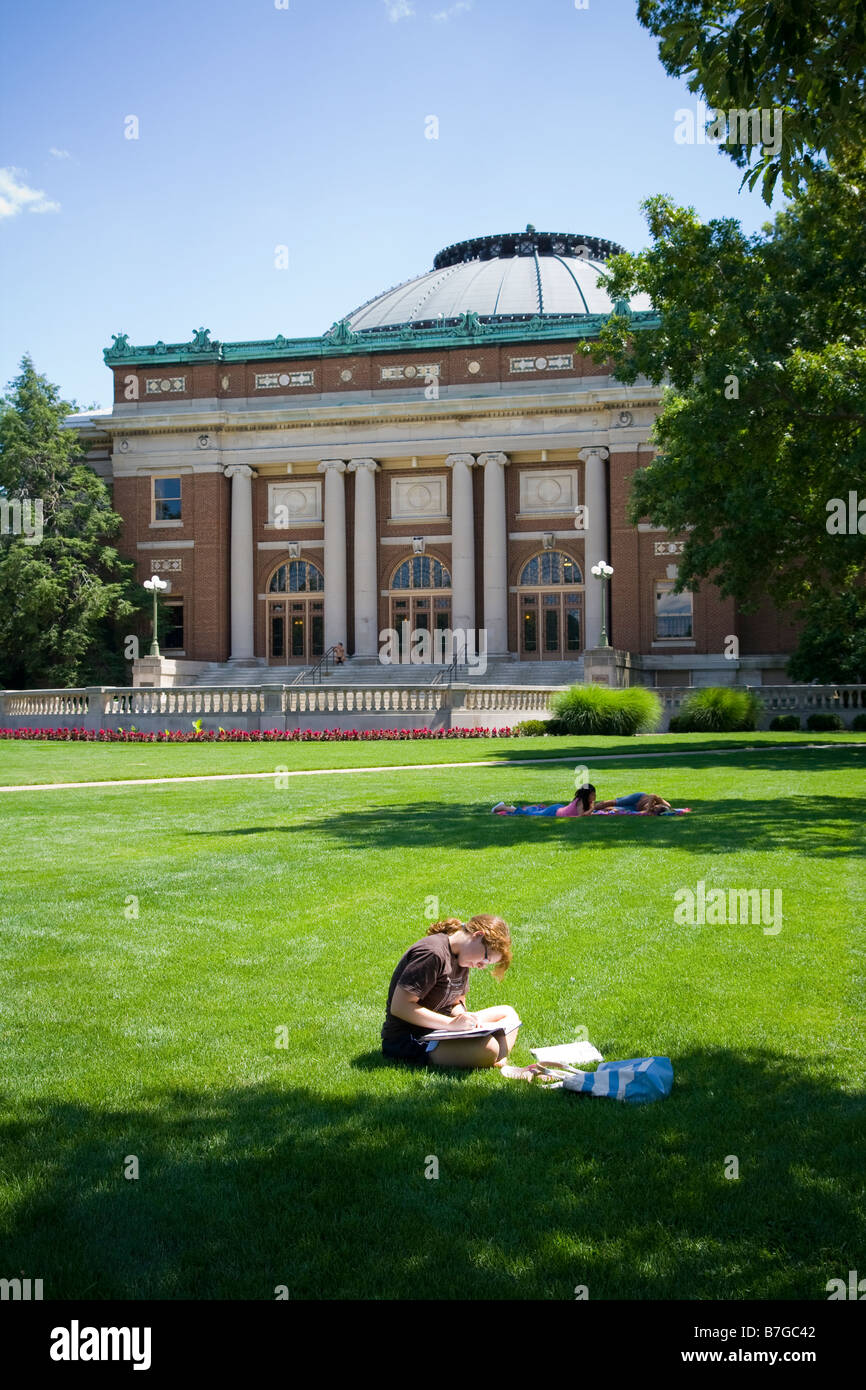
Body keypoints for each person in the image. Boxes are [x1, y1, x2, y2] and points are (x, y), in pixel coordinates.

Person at [382, 915, 520, 1070]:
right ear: (477, 936)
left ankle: (496, 1059)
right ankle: (493, 1056)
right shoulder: (432, 953)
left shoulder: (463, 958)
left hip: (441, 1030)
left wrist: (465, 1017)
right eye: (485, 959)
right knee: (488, 1048)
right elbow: (399, 1007)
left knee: (508, 1014)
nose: (481, 966)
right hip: (411, 1038)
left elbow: (455, 1002)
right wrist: (451, 1024)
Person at [492, 785, 596, 817]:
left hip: (558, 808)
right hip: (554, 812)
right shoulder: (581, 801)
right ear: (586, 795)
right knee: (528, 814)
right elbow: (580, 817)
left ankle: (511, 808)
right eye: (592, 794)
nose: (594, 796)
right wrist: (594, 809)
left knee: (532, 812)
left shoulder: (588, 801)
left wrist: (593, 807)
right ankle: (502, 807)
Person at [593, 792, 671, 814]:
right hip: (637, 798)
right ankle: (589, 808)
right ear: (660, 805)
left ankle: (591, 811)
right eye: (655, 807)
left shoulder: (654, 813)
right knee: (609, 803)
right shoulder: (666, 805)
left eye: (654, 810)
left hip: (635, 808)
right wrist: (648, 809)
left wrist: (648, 811)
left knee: (610, 809)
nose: (653, 808)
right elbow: (652, 795)